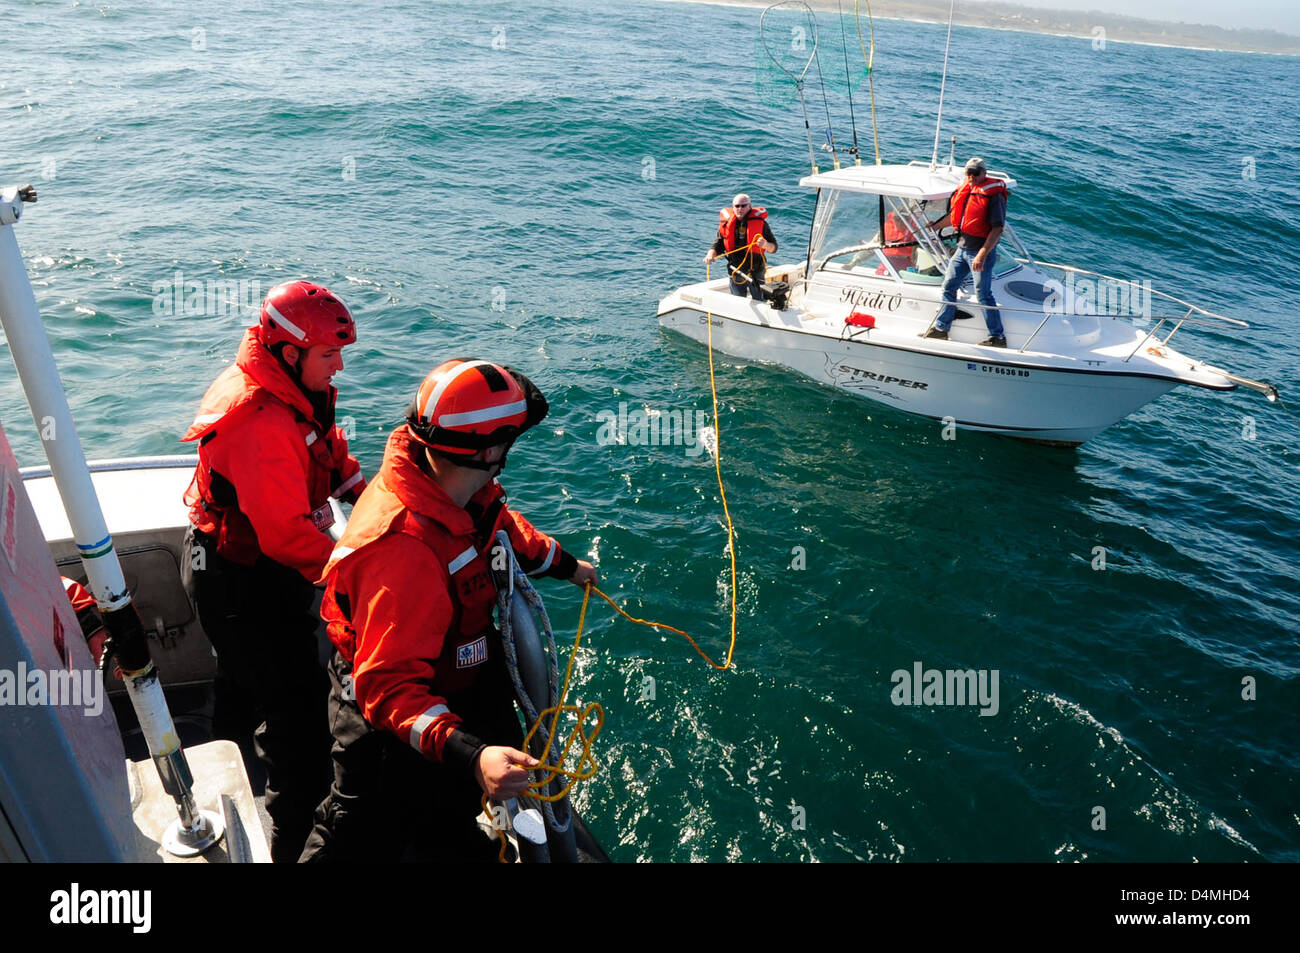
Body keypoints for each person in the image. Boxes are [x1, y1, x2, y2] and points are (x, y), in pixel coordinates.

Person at [300, 358, 598, 863]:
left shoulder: (448, 484)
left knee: (446, 820)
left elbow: (495, 524)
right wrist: (473, 754)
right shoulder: (404, 551)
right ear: (488, 450)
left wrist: (565, 564)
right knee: (361, 833)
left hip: (450, 679)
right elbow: (387, 687)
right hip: (392, 721)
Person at [179, 280, 365, 863]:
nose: (339, 369)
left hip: (247, 569)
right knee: (298, 725)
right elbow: (286, 533)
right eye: (329, 356)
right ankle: (289, 841)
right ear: (289, 352)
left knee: (241, 685)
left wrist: (367, 496)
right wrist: (359, 578)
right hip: (240, 582)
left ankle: (223, 768)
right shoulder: (258, 419)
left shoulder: (288, 390)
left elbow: (324, 446)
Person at [921, 157, 1009, 347]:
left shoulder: (993, 196)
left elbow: (997, 229)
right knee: (948, 286)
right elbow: (956, 217)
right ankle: (941, 329)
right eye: (969, 173)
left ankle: (997, 337)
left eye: (976, 173)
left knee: (983, 293)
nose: (972, 177)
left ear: (984, 174)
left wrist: (982, 255)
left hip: (979, 251)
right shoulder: (967, 189)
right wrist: (935, 226)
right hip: (962, 249)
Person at [704, 193, 778, 300]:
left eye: (743, 206)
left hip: (755, 270)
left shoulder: (761, 224)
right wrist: (710, 254)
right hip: (735, 269)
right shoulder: (726, 223)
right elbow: (718, 243)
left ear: (749, 206)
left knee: (760, 300)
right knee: (738, 301)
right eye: (737, 206)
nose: (740, 209)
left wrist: (766, 244)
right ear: (733, 207)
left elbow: (774, 248)